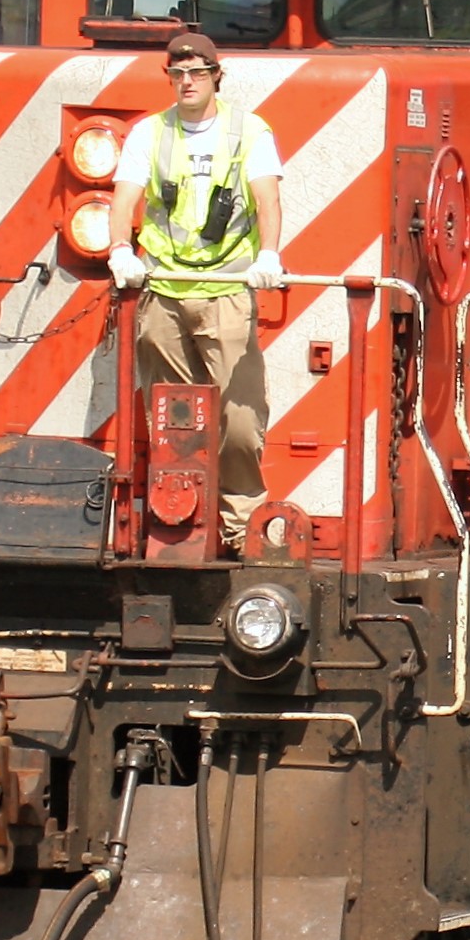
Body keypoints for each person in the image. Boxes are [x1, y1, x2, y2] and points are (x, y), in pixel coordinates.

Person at [106, 29, 285, 550]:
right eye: (178, 74)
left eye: (197, 73)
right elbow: (125, 198)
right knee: (171, 417)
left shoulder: (249, 132)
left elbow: (267, 200)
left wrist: (268, 254)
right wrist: (121, 249)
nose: (187, 82)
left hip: (227, 288)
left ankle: (238, 529)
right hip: (162, 288)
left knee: (239, 421)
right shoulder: (149, 133)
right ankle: (180, 522)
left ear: (215, 76)